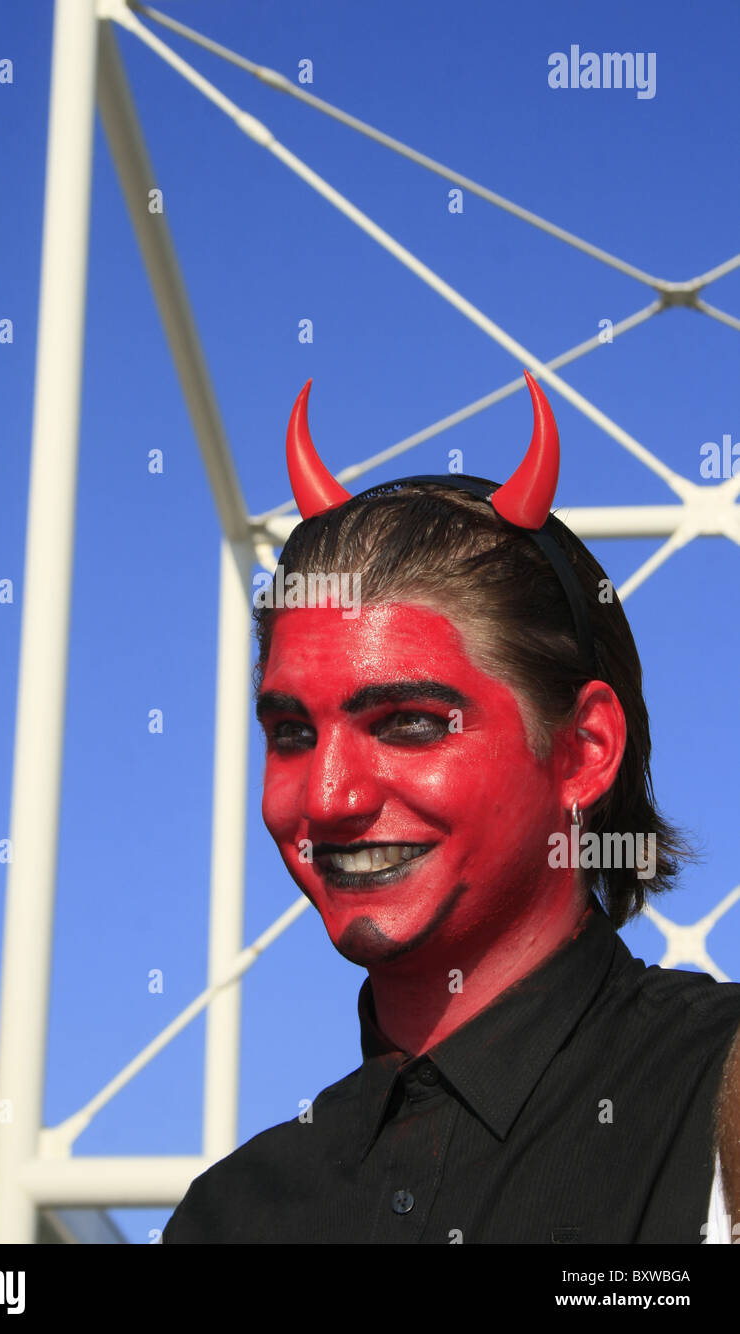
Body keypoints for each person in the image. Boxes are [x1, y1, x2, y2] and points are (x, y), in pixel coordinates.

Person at [162, 374, 740, 1244]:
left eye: (407, 724)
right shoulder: (231, 1216)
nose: (328, 797)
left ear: (583, 749)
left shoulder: (717, 1092)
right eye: (289, 733)